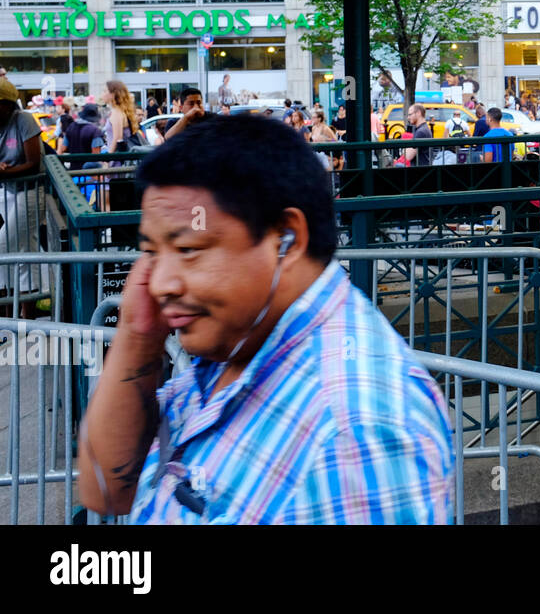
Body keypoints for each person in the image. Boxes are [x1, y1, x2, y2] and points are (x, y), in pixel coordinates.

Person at [77, 115, 452, 522]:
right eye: (151, 252)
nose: (161, 282)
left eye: (188, 249)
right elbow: (106, 491)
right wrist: (137, 333)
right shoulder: (236, 345)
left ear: (286, 240)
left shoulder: (355, 436)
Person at [0, 79, 45, 308]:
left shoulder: (23, 119)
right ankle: (14, 312)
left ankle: (25, 312)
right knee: (18, 249)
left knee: (9, 245)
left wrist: (6, 172)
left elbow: (34, 163)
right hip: (6, 191)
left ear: (6, 105)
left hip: (29, 191)